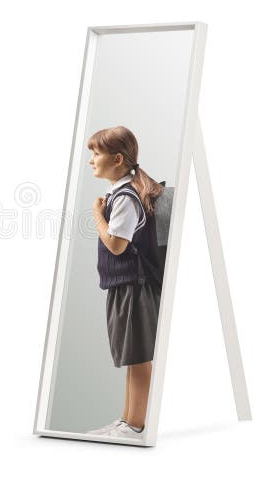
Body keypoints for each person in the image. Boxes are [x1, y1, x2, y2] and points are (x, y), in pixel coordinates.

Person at [85, 126, 163, 440]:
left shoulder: (126, 197)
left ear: (117, 158)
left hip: (134, 287)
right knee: (134, 356)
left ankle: (136, 424)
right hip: (126, 286)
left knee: (139, 357)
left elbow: (116, 244)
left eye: (96, 153)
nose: (91, 160)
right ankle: (129, 421)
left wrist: (97, 216)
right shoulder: (125, 191)